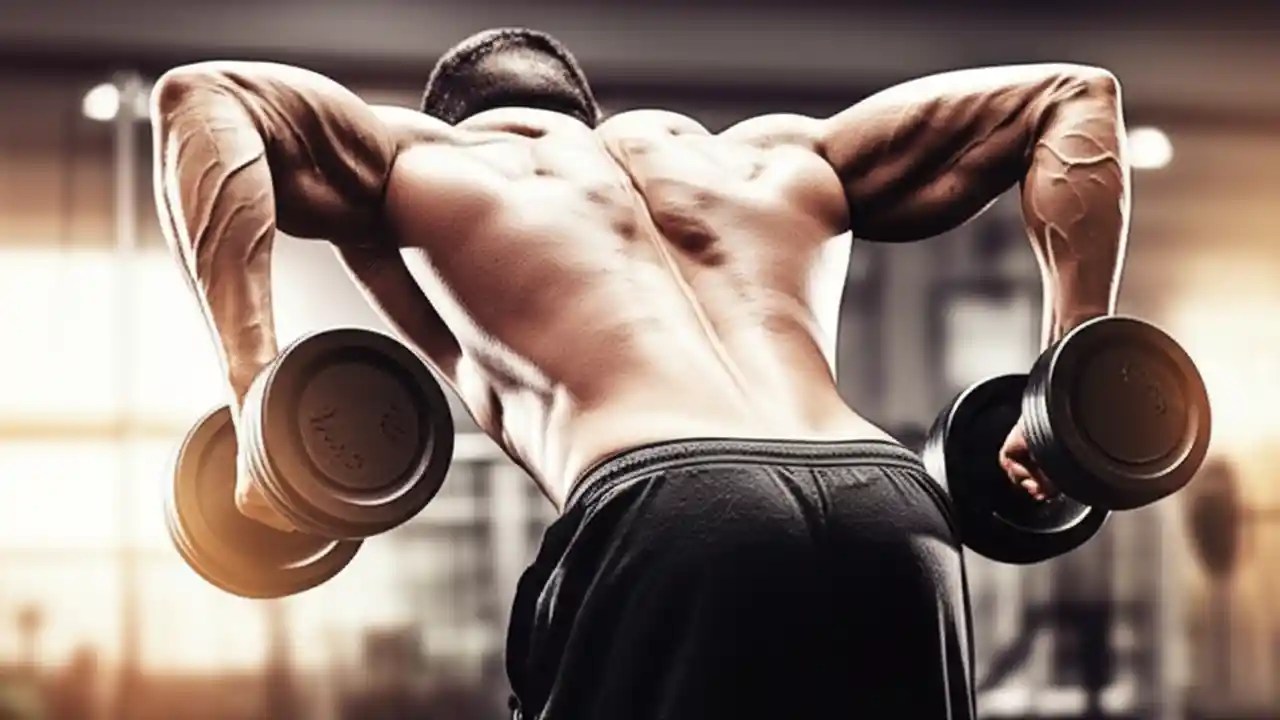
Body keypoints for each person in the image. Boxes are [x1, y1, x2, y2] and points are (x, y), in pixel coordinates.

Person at [150, 26, 1129, 719]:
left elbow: (204, 98)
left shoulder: (437, 160)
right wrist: (1057, 401)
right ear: (584, 114)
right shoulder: (764, 161)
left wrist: (254, 397)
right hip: (893, 512)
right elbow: (1069, 97)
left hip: (673, 513)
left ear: (449, 117)